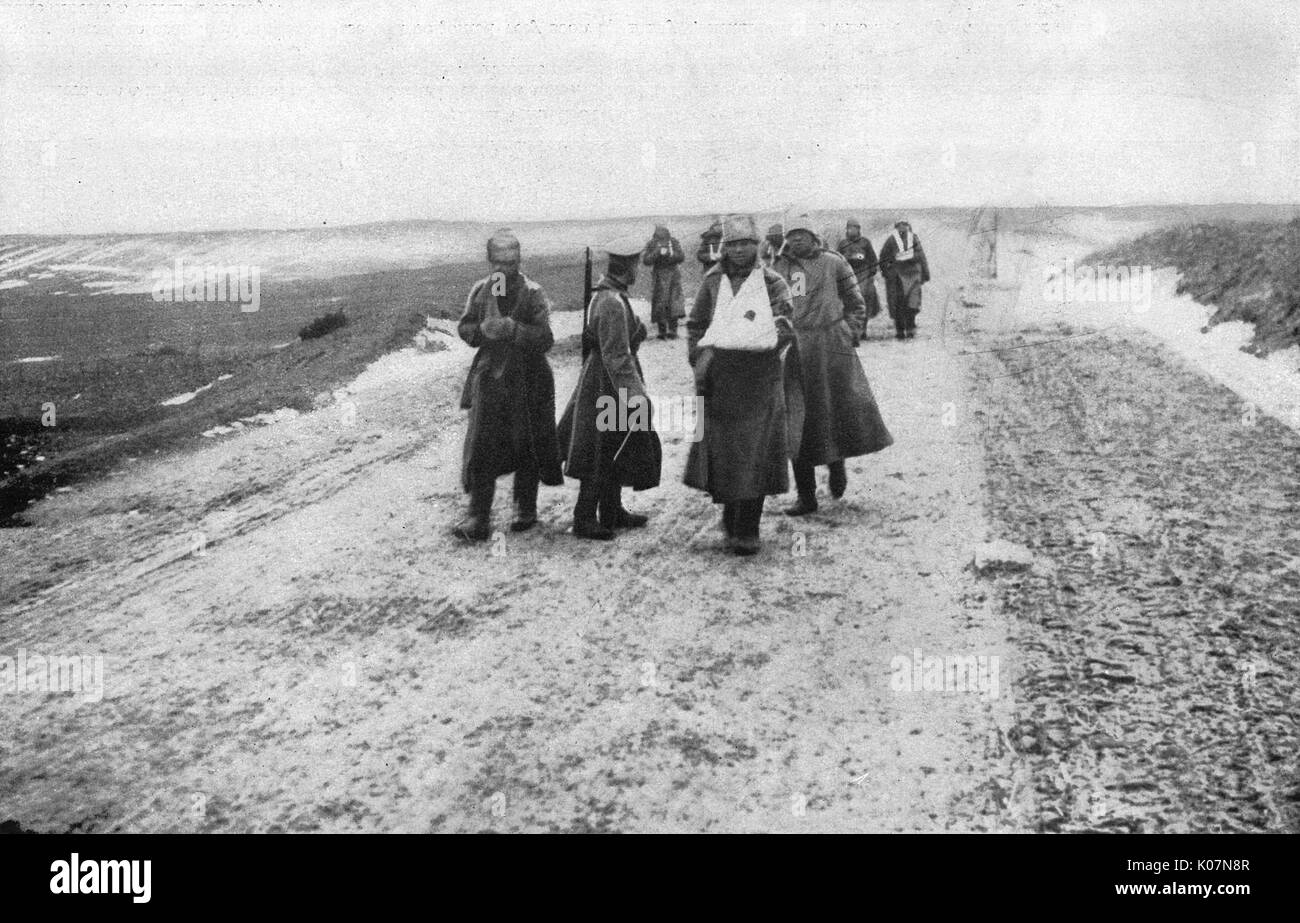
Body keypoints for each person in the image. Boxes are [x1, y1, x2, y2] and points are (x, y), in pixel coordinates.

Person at [684, 214, 796, 556]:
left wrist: (767, 334)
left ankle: (749, 526)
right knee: (726, 454)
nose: (739, 250)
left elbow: (786, 324)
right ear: (724, 247)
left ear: (758, 245)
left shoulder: (773, 282)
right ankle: (732, 517)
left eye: (746, 243)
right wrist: (701, 361)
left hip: (759, 379)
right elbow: (696, 325)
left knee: (756, 452)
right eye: (732, 244)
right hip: (721, 378)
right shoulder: (713, 282)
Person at [771, 214, 894, 515]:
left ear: (814, 236)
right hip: (794, 352)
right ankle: (806, 496)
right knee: (797, 420)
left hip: (831, 350)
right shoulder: (778, 268)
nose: (797, 239)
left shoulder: (834, 262)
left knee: (832, 413)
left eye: (803, 234)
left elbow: (856, 303)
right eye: (793, 234)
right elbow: (768, 308)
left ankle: (836, 467)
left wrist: (848, 332)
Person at [454, 229, 564, 541]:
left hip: (528, 379)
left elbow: (545, 338)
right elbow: (465, 327)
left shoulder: (533, 292)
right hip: (491, 379)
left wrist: (514, 329)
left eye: (511, 262)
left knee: (526, 442)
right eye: (499, 263)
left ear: (519, 260)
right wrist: (481, 331)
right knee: (483, 446)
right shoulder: (481, 290)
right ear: (490, 262)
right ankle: (479, 516)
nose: (505, 269)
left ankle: (524, 508)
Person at [558, 236, 662, 540]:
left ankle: (612, 511)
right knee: (599, 450)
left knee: (614, 445)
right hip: (608, 385)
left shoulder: (608, 296)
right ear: (627, 266)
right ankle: (584, 518)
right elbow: (617, 357)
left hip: (605, 381)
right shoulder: (612, 302)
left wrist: (636, 332)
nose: (637, 271)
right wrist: (636, 396)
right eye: (635, 265)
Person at [878, 219, 931, 340]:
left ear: (908, 226)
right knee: (898, 305)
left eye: (905, 225)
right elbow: (883, 258)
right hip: (897, 278)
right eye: (900, 225)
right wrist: (886, 273)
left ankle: (911, 329)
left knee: (912, 304)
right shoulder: (891, 240)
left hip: (913, 276)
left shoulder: (914, 238)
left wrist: (925, 273)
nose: (903, 227)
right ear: (896, 227)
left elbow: (921, 255)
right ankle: (900, 331)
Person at [641, 224, 686, 339]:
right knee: (660, 303)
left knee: (674, 302)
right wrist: (657, 252)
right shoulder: (652, 243)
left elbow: (681, 256)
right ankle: (662, 331)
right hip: (659, 276)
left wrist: (670, 254)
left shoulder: (673, 242)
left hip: (673, 275)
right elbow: (646, 260)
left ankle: (673, 330)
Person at [837, 219, 883, 327]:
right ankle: (850, 325)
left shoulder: (865, 242)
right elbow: (837, 258)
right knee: (846, 298)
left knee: (865, 295)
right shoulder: (843, 243)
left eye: (854, 228)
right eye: (849, 228)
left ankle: (863, 326)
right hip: (847, 273)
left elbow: (873, 259)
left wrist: (871, 272)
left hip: (863, 273)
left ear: (858, 230)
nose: (852, 231)